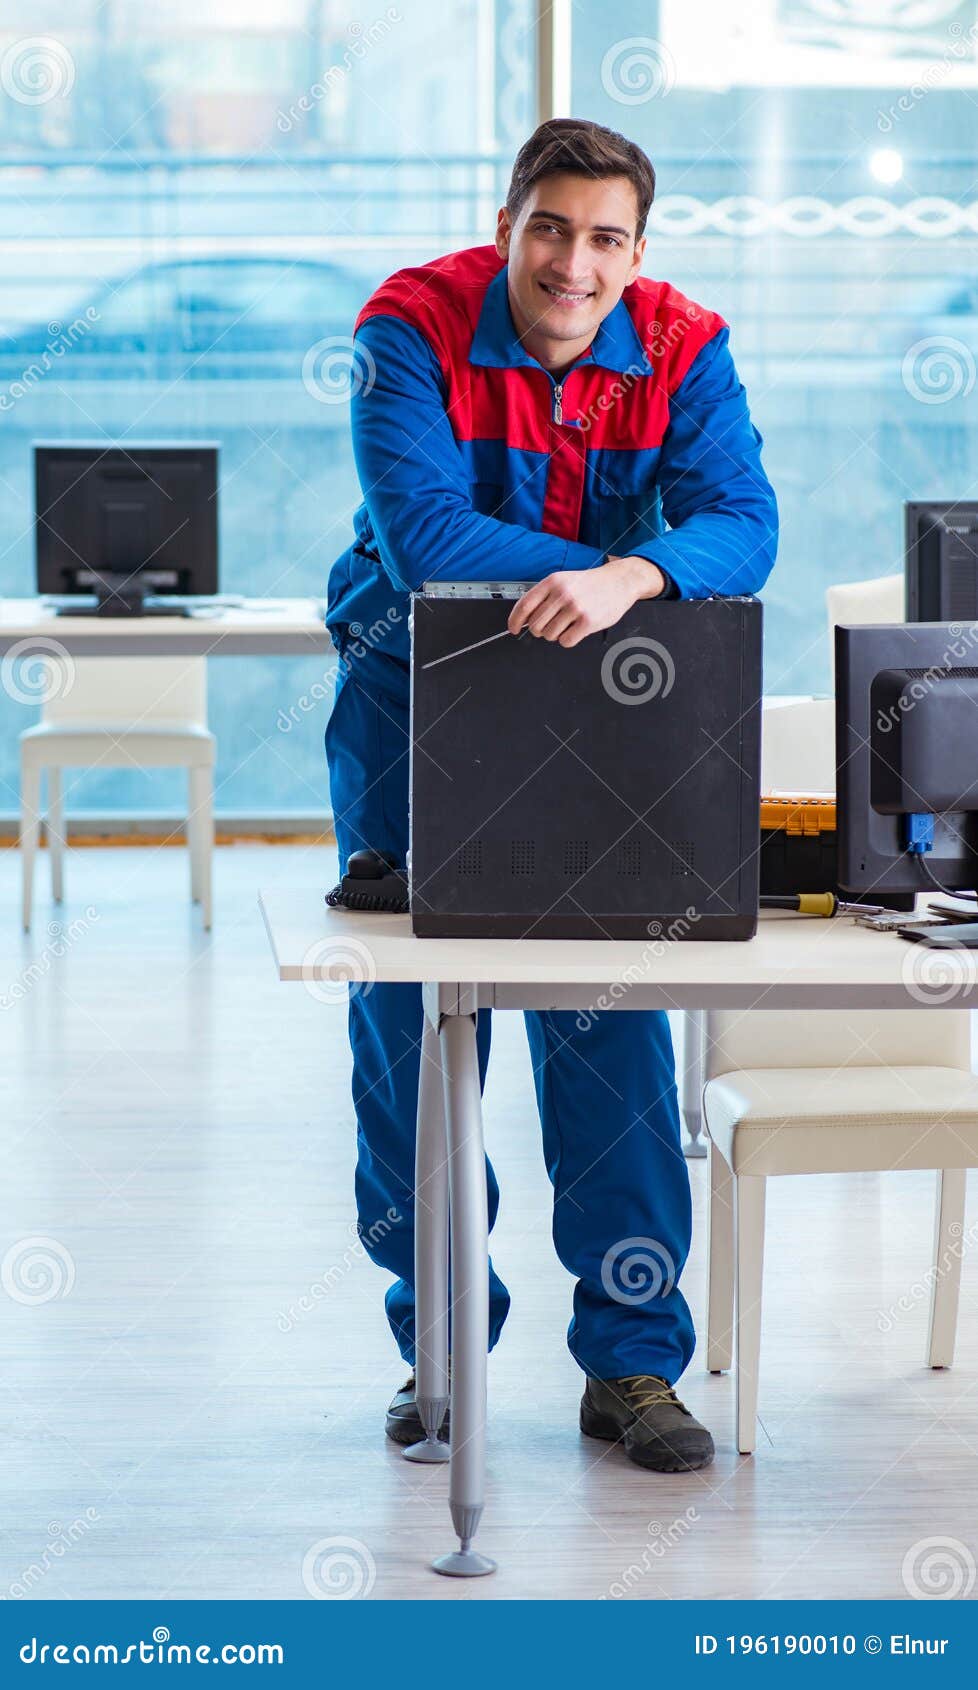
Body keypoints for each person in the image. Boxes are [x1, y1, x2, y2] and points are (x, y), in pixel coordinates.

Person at [324, 117, 778, 1473]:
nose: (571, 265)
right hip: (412, 695)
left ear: (635, 251)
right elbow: (427, 536)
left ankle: (632, 1367)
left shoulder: (685, 346)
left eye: (603, 239)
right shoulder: (407, 327)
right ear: (506, 219)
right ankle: (441, 1350)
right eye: (547, 229)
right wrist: (625, 557)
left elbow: (744, 522)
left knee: (608, 1012)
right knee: (410, 1035)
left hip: (602, 704)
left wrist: (638, 579)